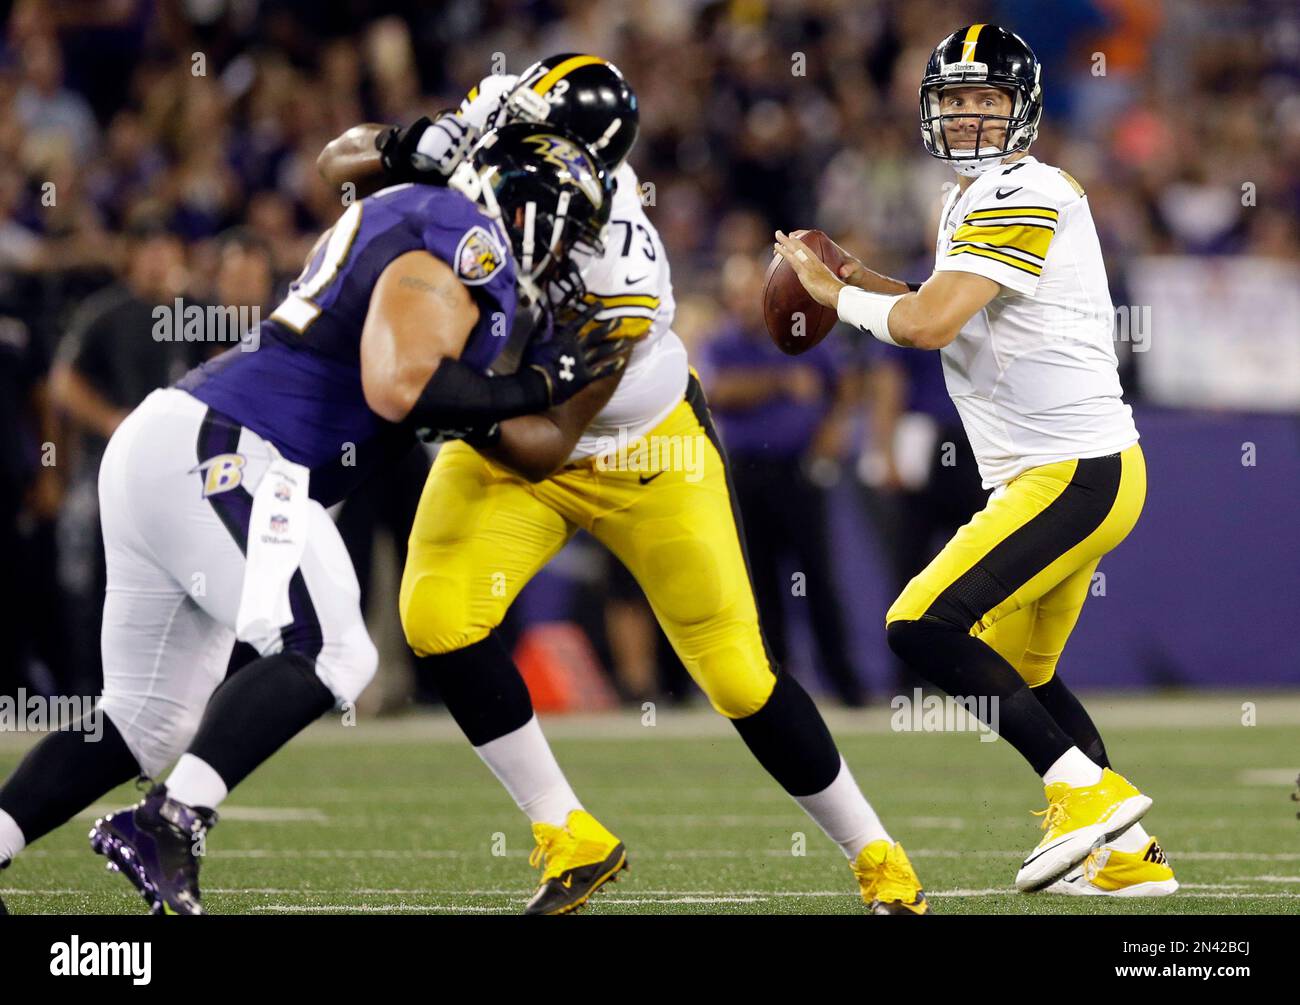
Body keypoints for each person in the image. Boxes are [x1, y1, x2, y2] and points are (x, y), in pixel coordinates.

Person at [319, 54, 929, 916]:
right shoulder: (489, 130)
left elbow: (545, 443)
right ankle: (570, 836)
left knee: (737, 676)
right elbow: (335, 163)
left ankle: (880, 857)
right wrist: (402, 143)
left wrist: (447, 399)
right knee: (434, 618)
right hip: (510, 415)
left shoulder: (621, 270)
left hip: (637, 449)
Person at [0, 125, 622, 916]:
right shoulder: (467, 239)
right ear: (532, 209)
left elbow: (353, 180)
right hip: (229, 446)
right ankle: (170, 818)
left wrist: (542, 396)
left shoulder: (423, 217)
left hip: (178, 444)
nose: (570, 254)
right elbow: (401, 386)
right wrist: (537, 384)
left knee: (146, 718)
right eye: (570, 231)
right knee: (331, 647)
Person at [773, 24, 1176, 897]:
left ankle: (1085, 793)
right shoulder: (977, 197)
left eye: (985, 98)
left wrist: (835, 297)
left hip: (1069, 469)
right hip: (1075, 468)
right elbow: (929, 302)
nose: (967, 115)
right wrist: (847, 275)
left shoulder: (1024, 190)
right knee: (1025, 669)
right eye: (953, 99)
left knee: (917, 624)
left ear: (1022, 105)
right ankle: (1126, 858)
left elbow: (925, 327)